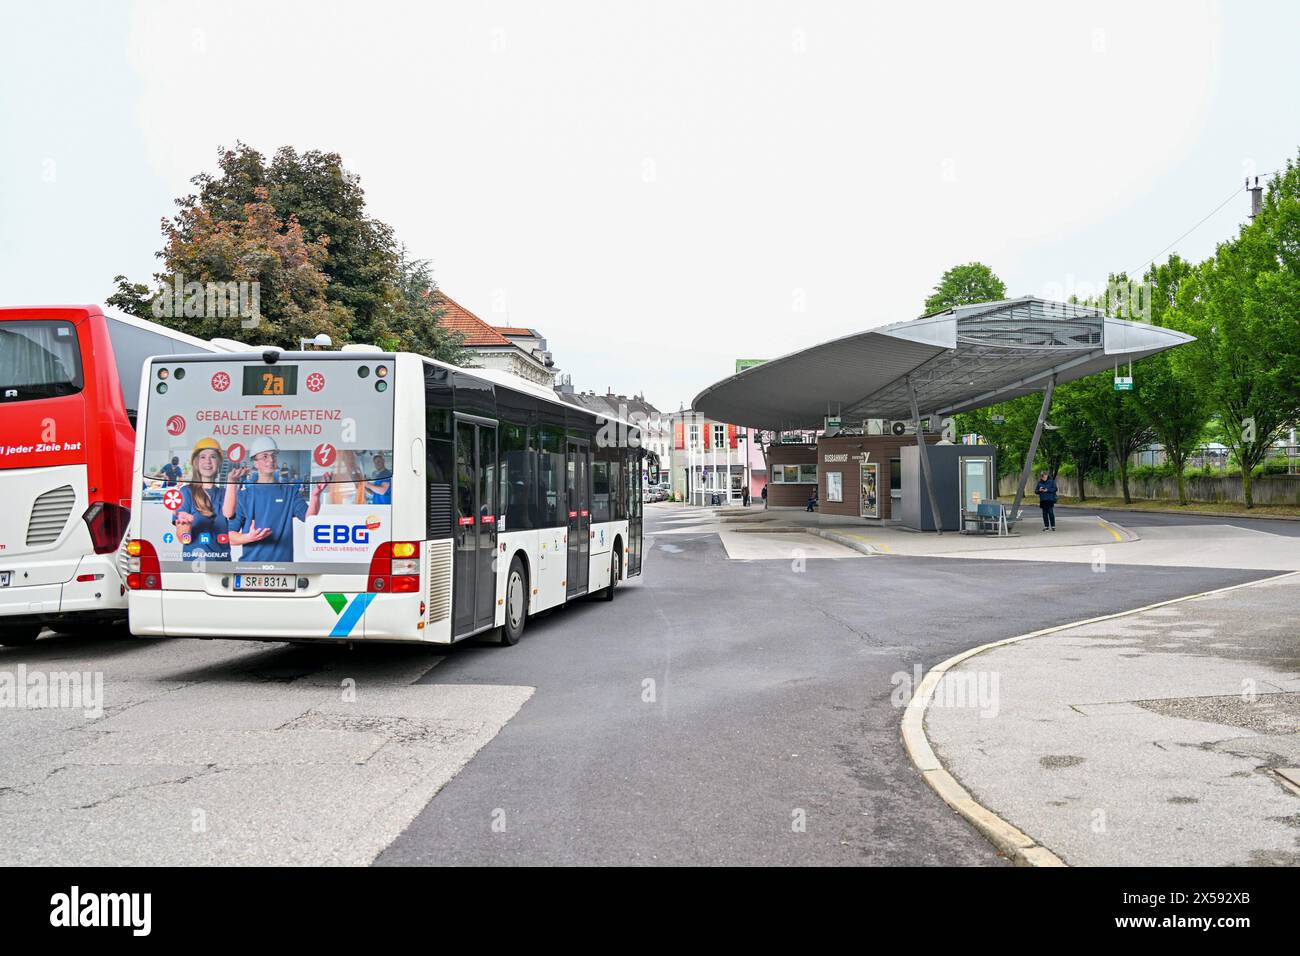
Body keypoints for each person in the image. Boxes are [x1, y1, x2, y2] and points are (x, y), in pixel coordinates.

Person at [223, 436, 323, 562]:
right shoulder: (243, 497)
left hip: (283, 569)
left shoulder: (290, 492)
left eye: (273, 456)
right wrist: (249, 538)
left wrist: (315, 497)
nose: (270, 460)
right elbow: (229, 536)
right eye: (265, 456)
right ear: (255, 462)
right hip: (250, 568)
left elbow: (309, 518)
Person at [172, 437, 231, 561]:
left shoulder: (227, 494)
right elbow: (183, 539)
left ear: (219, 463)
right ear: (196, 462)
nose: (208, 461)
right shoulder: (186, 493)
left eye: (213, 457)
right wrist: (185, 527)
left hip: (223, 566)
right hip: (195, 567)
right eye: (203, 457)